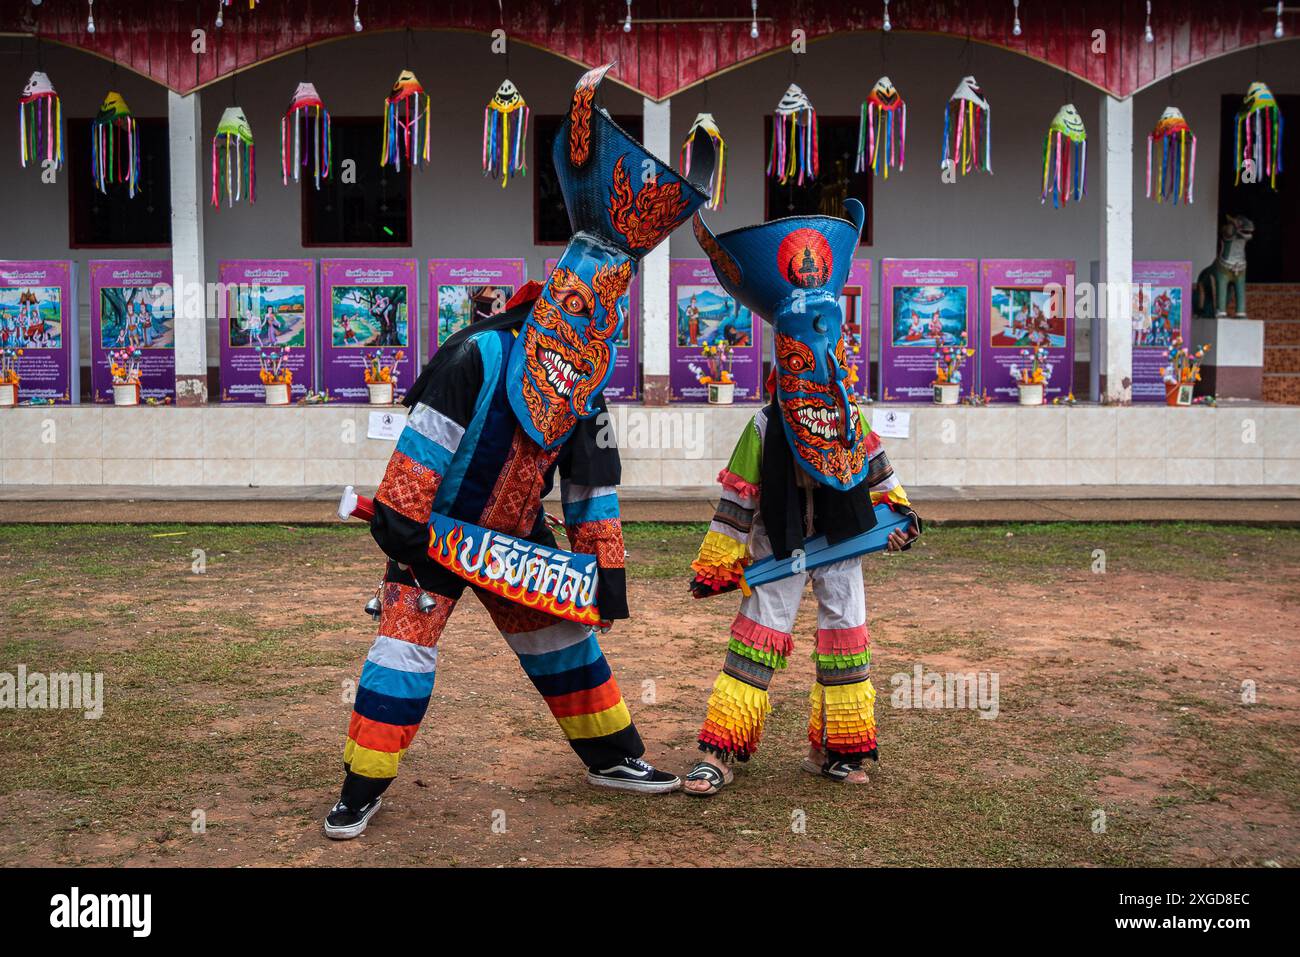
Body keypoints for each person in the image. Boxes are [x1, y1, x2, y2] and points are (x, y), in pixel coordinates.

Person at [324, 63, 716, 840]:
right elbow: (427, 437)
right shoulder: (476, 354)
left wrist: (603, 566)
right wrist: (402, 521)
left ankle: (613, 757)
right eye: (582, 305)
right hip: (434, 532)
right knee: (401, 652)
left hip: (515, 536)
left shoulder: (587, 383)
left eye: (605, 314)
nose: (589, 326)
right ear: (558, 291)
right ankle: (359, 788)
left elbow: (591, 484)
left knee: (567, 644)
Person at [682, 200, 920, 795]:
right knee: (761, 629)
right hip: (778, 544)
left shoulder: (850, 416)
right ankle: (720, 752)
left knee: (846, 629)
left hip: (843, 539)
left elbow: (877, 472)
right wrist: (723, 557)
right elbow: (738, 500)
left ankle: (838, 751)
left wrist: (899, 516)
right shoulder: (764, 427)